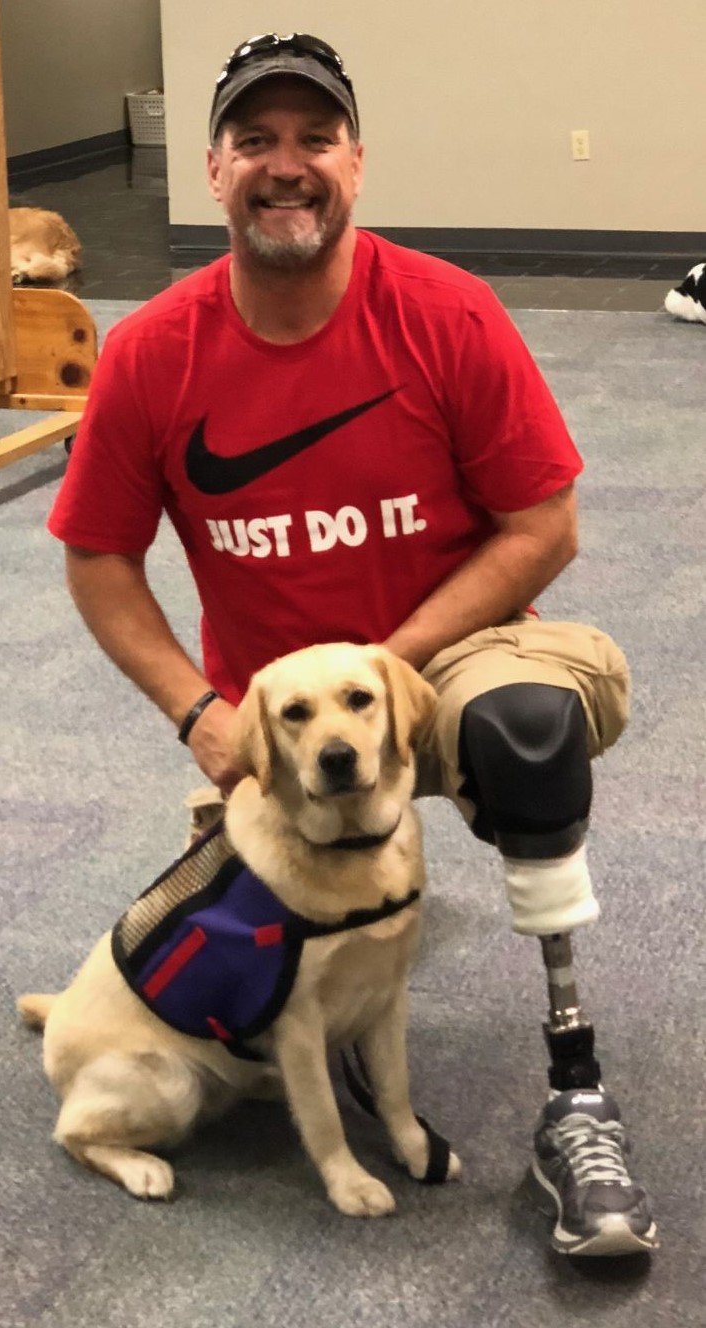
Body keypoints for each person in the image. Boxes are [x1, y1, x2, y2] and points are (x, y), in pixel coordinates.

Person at [48, 32, 657, 1257]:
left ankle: (573, 1092)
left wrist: (395, 670)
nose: (287, 166)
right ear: (212, 171)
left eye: (312, 139)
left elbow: (544, 524)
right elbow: (97, 555)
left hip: (448, 663)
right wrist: (197, 712)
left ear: (356, 163)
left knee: (525, 732)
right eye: (255, 141)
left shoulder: (442, 312)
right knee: (234, 949)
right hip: (284, 722)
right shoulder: (155, 353)